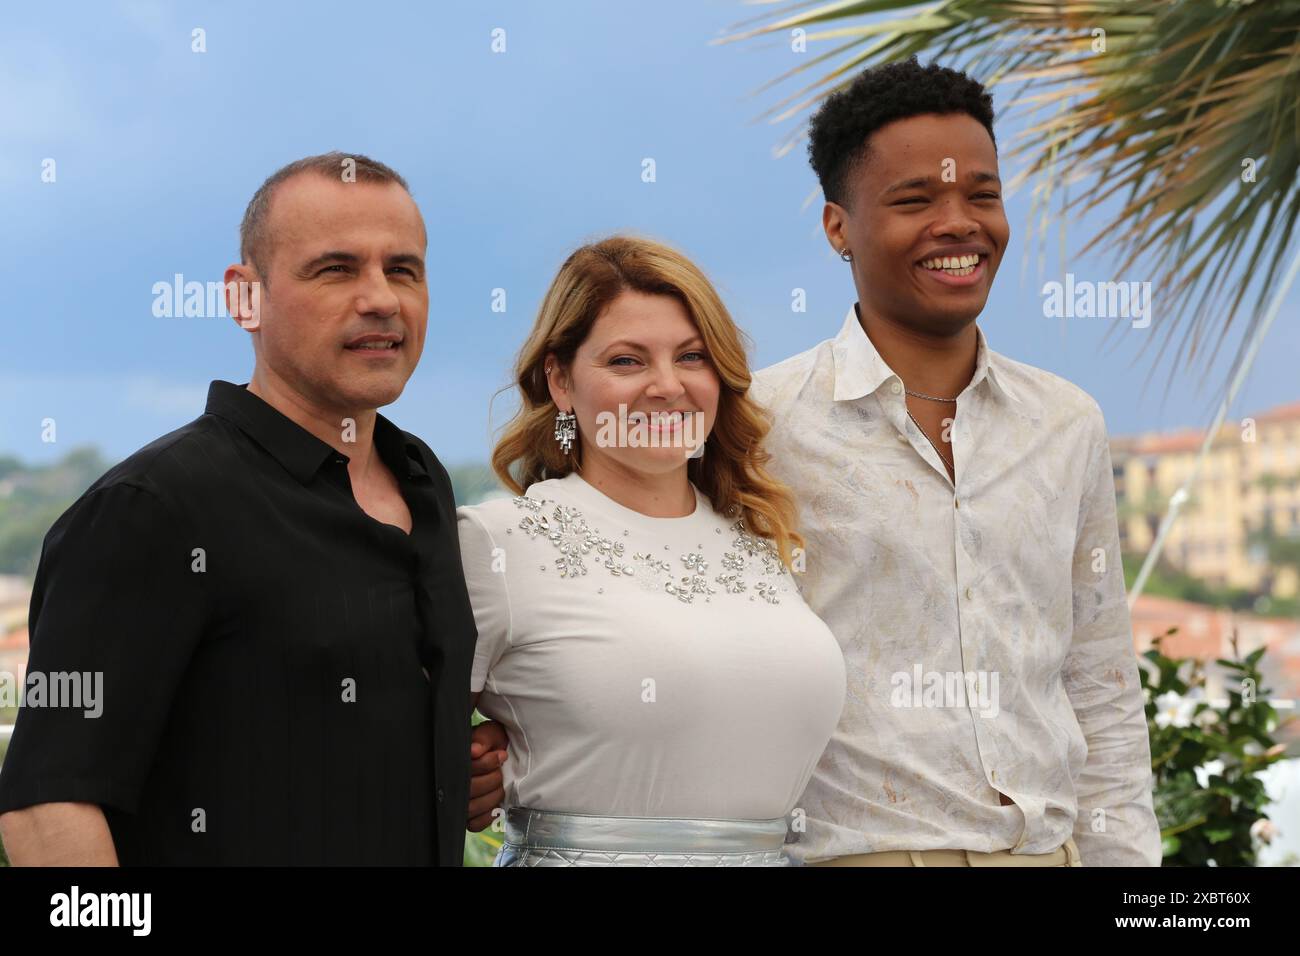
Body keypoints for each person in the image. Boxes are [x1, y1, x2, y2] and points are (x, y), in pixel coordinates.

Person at [0, 152, 477, 865]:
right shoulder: (153, 508)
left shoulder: (424, 484)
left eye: (402, 269)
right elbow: (45, 806)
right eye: (336, 269)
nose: (381, 298)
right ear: (244, 297)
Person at [750, 57, 1161, 866]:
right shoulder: (762, 424)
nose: (960, 223)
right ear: (839, 227)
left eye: (983, 194)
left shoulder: (1067, 423)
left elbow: (1101, 684)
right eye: (915, 200)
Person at [457, 236, 846, 866]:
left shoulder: (763, 541)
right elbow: (395, 749)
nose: (667, 386)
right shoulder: (498, 542)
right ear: (560, 380)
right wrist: (461, 775)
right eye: (627, 361)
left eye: (691, 357)